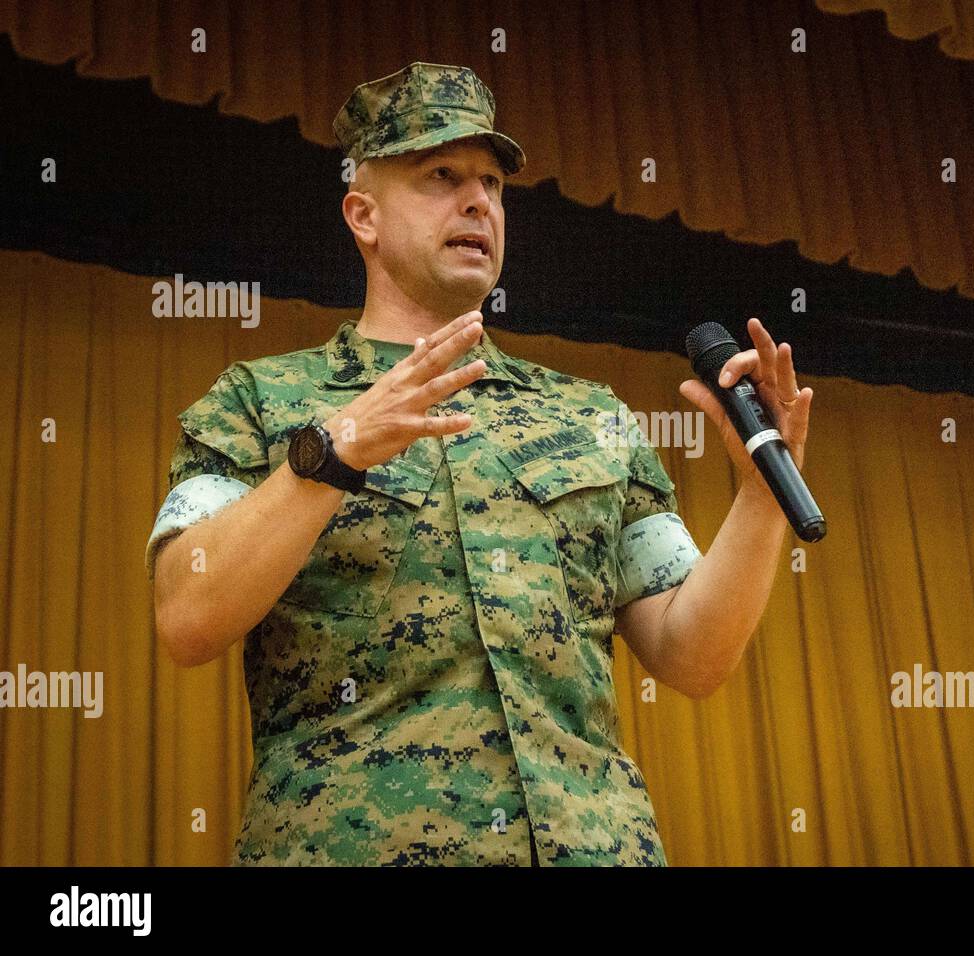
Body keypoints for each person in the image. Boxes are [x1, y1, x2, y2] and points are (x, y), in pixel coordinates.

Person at [146, 62, 814, 866]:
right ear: (363, 215)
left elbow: (691, 656)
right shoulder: (259, 402)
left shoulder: (591, 415)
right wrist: (330, 455)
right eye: (441, 175)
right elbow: (186, 616)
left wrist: (758, 499)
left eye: (493, 184)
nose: (478, 201)